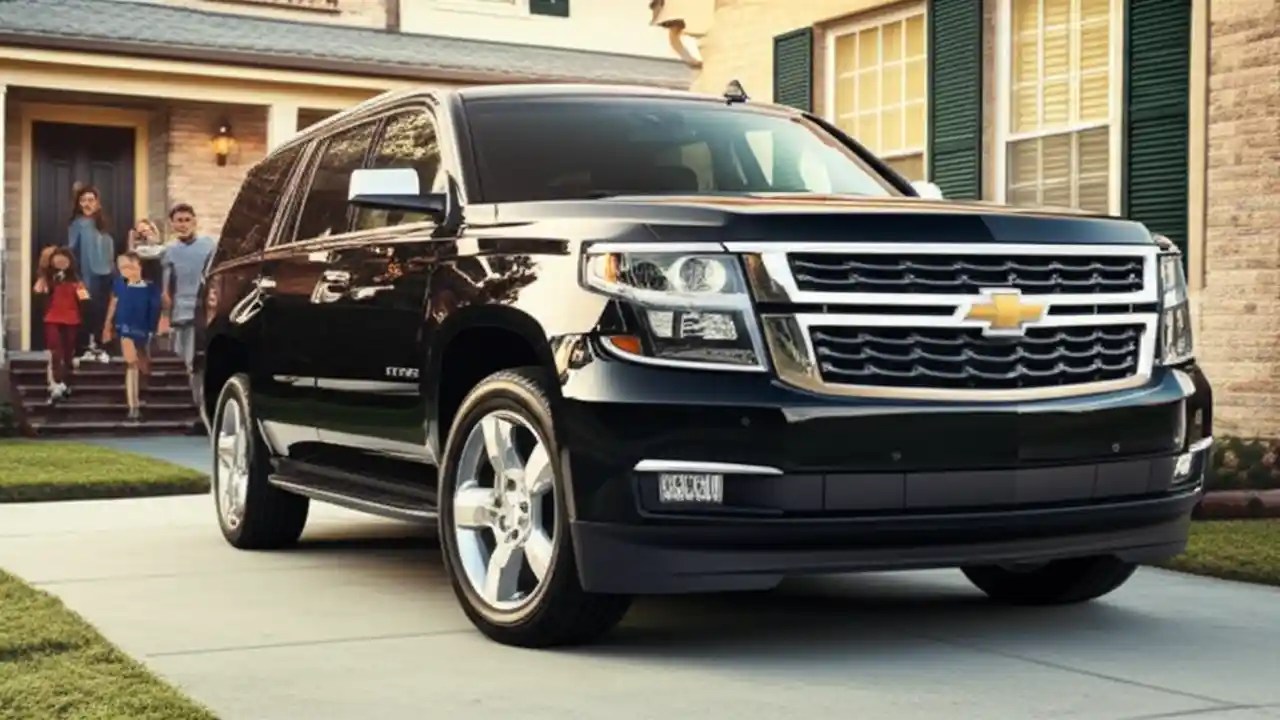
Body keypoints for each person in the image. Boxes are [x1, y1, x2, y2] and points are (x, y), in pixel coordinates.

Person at [160, 203, 215, 433]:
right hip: (179, 314)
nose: (182, 224)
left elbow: (213, 278)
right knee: (187, 365)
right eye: (178, 220)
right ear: (172, 224)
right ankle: (200, 413)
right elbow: (166, 287)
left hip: (201, 312)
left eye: (186, 219)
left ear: (194, 221)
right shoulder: (169, 252)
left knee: (198, 366)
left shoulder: (209, 246)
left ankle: (206, 417)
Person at [103, 251, 162, 423]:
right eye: (121, 267)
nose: (124, 270)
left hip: (143, 328)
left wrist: (157, 326)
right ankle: (133, 406)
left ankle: (140, 394)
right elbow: (113, 303)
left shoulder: (151, 288)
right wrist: (108, 325)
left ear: (138, 266)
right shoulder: (119, 285)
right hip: (124, 326)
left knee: (143, 364)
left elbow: (156, 309)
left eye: (128, 266)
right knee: (131, 363)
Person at [32, 247, 90, 404]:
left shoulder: (76, 280)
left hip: (72, 318)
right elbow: (38, 295)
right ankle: (55, 383)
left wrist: (83, 295)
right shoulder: (47, 279)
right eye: (57, 260)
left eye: (64, 260)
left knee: (67, 353)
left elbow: (85, 299)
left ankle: (65, 383)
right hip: (52, 318)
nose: (61, 262)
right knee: (55, 351)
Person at [67, 185, 116, 363]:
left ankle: (100, 346)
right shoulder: (77, 224)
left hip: (106, 274)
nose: (87, 204)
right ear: (79, 204)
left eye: (91, 200)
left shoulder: (104, 224)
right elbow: (71, 250)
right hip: (86, 274)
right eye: (83, 200)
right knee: (88, 310)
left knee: (103, 310)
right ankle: (84, 348)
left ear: (97, 203)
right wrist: (76, 276)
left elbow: (109, 249)